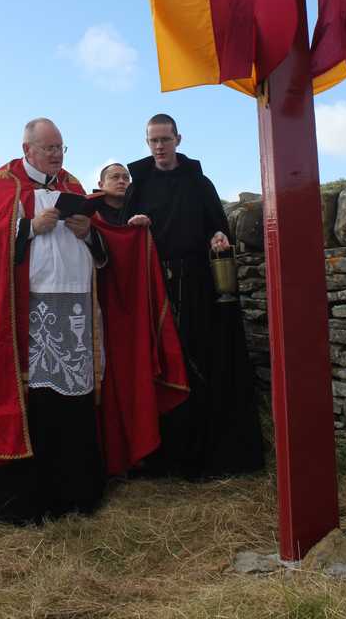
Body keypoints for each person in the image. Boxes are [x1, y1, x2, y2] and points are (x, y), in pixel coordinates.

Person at [0, 118, 188, 523]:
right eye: (49, 149)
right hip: (25, 319)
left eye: (61, 148)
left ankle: (75, 496)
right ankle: (25, 503)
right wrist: (28, 227)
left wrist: (87, 232)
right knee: (34, 405)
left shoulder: (74, 186)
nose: (57, 156)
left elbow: (102, 251)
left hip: (75, 311)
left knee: (72, 408)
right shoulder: (0, 186)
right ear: (27, 149)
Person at [123, 113, 264, 479]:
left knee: (198, 364)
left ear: (178, 139)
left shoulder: (198, 182)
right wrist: (134, 226)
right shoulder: (138, 185)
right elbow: (123, 229)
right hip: (155, 288)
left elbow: (214, 224)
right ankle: (161, 457)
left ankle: (200, 455)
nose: (158, 147)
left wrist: (217, 235)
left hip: (196, 285)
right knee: (161, 366)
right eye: (153, 140)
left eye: (165, 140)